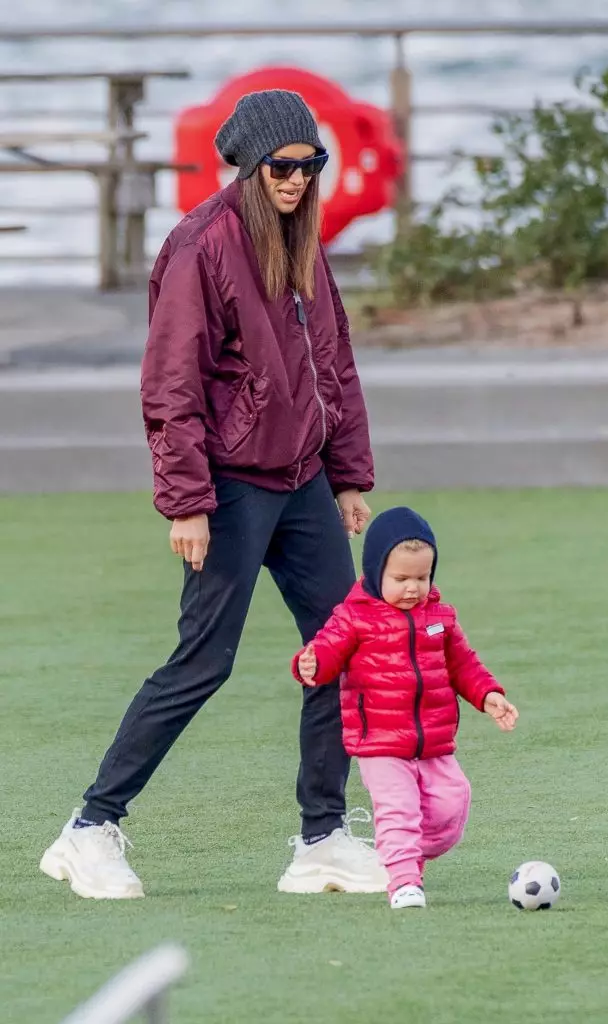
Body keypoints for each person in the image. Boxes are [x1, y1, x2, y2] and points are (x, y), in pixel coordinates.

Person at [40, 89, 388, 900]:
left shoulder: (305, 241)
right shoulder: (199, 247)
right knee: (204, 662)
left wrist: (349, 477)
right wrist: (186, 500)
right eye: (283, 166)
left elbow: (331, 364)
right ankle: (89, 827)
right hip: (229, 488)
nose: (298, 179)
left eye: (310, 164)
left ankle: (322, 838)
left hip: (302, 480)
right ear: (248, 165)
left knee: (348, 646)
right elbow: (170, 387)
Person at [293, 506, 519, 909]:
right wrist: (310, 663)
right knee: (399, 810)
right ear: (376, 571)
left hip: (433, 738)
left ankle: (404, 857)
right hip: (378, 741)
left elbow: (463, 664)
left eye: (422, 577)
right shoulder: (353, 617)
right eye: (400, 578)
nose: (412, 588)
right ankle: (403, 881)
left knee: (452, 805)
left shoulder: (440, 618)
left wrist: (488, 695)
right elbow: (324, 652)